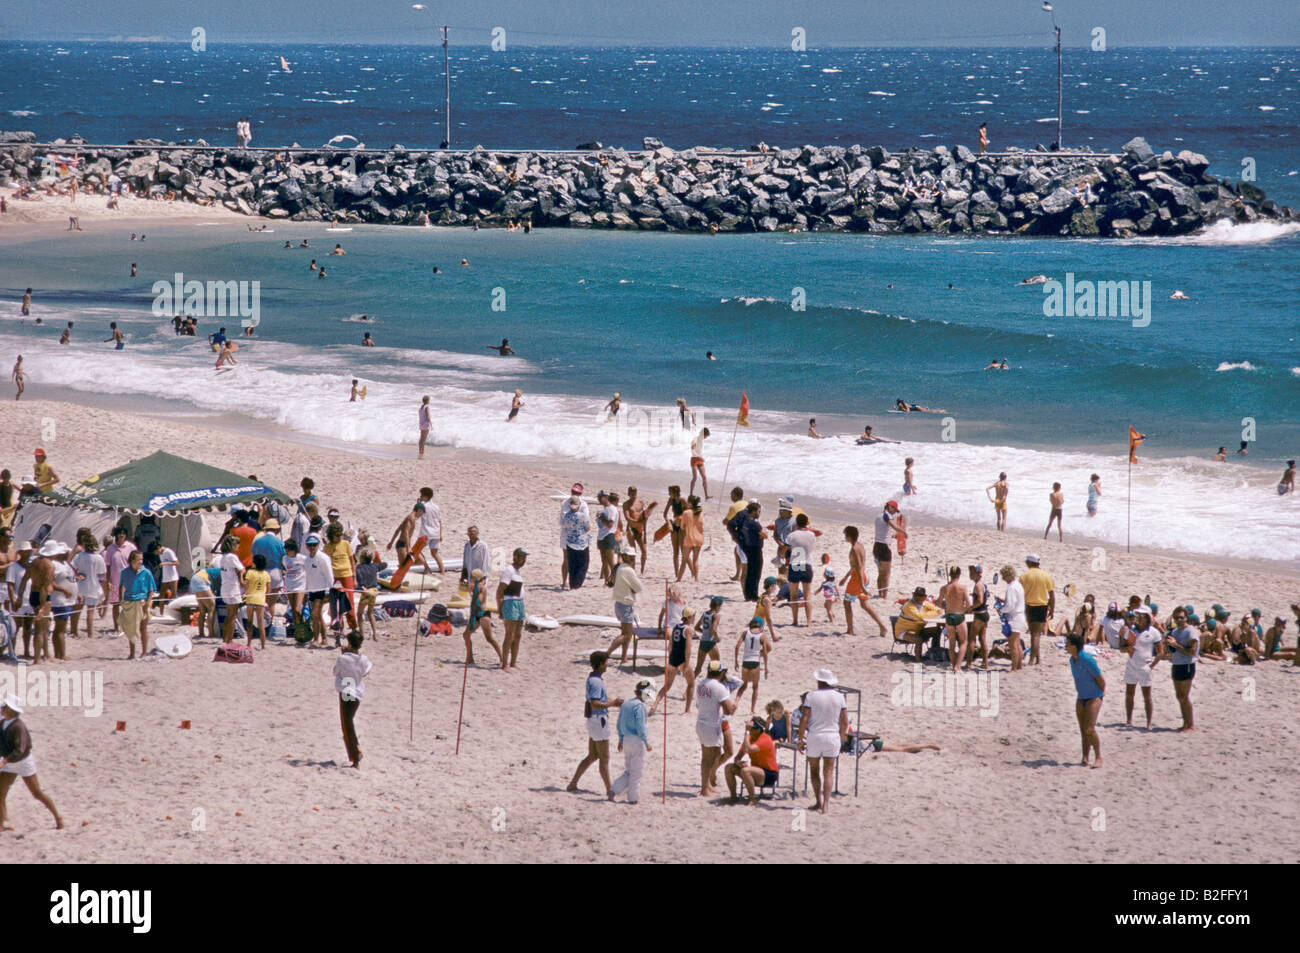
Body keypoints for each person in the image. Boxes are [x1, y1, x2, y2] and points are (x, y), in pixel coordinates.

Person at [0, 693, 64, 830]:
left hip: (23, 762)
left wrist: (4, 761)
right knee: (0, 793)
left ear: (10, 710)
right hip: (8, 763)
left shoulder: (18, 727)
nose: (2, 708)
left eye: (4, 706)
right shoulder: (3, 723)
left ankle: (58, 817)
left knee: (37, 793)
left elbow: (20, 750)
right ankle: (2, 823)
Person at [567, 652, 623, 797]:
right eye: (606, 663)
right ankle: (609, 790)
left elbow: (600, 698)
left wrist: (615, 703)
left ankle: (573, 783)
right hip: (599, 721)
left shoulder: (593, 678)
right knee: (604, 758)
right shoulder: (597, 682)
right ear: (600, 664)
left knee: (592, 756)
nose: (607, 665)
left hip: (593, 721)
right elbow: (595, 703)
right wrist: (612, 703)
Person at [798, 670, 848, 814]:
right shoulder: (840, 697)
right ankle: (826, 805)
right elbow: (844, 722)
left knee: (814, 771)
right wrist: (842, 736)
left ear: (819, 681)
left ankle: (818, 802)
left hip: (815, 735)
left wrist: (801, 738)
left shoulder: (811, 696)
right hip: (832, 736)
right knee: (829, 772)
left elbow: (805, 718)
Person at [695, 660, 736, 798]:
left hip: (701, 723)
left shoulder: (701, 684)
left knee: (712, 755)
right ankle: (704, 789)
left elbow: (698, 704)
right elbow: (728, 710)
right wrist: (733, 706)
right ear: (721, 673)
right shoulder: (719, 688)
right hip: (711, 725)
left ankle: (707, 786)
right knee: (709, 758)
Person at [333, 631, 371, 768]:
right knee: (349, 722)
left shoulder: (343, 659)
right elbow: (366, 671)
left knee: (347, 725)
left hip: (347, 691)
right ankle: (356, 750)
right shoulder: (364, 659)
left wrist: (343, 655)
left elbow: (335, 672)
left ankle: (355, 757)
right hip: (358, 692)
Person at [610, 679, 652, 804]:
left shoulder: (626, 704)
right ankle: (633, 798)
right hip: (636, 740)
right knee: (636, 772)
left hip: (626, 740)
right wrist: (646, 742)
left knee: (629, 771)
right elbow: (640, 727)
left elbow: (619, 723)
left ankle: (613, 790)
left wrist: (621, 739)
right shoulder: (640, 707)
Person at [1066, 632, 1104, 767]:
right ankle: (1085, 756)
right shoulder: (1072, 660)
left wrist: (1100, 696)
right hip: (1081, 697)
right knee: (1083, 729)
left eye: (1068, 643)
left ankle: (1098, 757)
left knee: (1090, 728)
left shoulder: (1087, 659)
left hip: (1094, 697)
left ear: (1075, 646)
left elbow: (1100, 679)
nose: (1065, 645)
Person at [842, 526, 887, 637]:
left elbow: (858, 567)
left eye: (845, 535)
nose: (845, 537)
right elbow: (856, 566)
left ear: (849, 536)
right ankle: (882, 626)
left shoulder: (854, 549)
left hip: (857, 578)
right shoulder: (860, 546)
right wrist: (845, 577)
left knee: (846, 603)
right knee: (864, 605)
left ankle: (850, 630)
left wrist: (861, 586)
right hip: (863, 576)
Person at [651, 606, 696, 716]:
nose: (694, 618)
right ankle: (687, 710)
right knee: (691, 684)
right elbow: (688, 648)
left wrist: (670, 658)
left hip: (672, 659)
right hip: (681, 659)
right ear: (689, 617)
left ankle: (655, 704)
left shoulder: (676, 627)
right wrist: (686, 663)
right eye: (693, 616)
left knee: (667, 686)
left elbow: (670, 645)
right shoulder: (689, 630)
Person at [1122, 606, 1161, 729]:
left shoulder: (1153, 632)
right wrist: (1127, 648)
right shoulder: (1131, 630)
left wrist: (1151, 666)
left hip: (1145, 667)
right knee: (1129, 694)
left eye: (1141, 615)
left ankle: (1149, 722)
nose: (1138, 618)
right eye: (1138, 615)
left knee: (1147, 696)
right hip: (1131, 665)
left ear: (1147, 617)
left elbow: (1160, 652)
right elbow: (1122, 648)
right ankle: (1129, 720)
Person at [1159, 607, 1198, 731]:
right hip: (1176, 665)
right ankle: (1185, 723)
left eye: (1181, 617)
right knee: (1179, 696)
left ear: (1186, 618)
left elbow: (1192, 652)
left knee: (1184, 697)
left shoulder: (1190, 631)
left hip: (1187, 665)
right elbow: (1171, 651)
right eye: (1177, 618)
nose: (1179, 620)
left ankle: (1190, 725)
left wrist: (1176, 645)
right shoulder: (1175, 632)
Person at [726, 717, 780, 805]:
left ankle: (752, 799)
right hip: (756, 771)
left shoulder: (765, 739)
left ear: (759, 729)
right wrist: (738, 763)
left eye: (752, 728)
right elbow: (737, 757)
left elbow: (748, 749)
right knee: (729, 768)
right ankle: (733, 796)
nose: (750, 730)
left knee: (746, 771)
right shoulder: (749, 738)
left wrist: (746, 732)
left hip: (769, 774)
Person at [118, 548, 157, 659]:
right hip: (129, 602)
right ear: (132, 560)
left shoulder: (147, 572)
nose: (141, 562)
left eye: (142, 559)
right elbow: (120, 586)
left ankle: (144, 652)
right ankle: (132, 653)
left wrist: (147, 604)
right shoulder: (125, 572)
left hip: (142, 602)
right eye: (138, 559)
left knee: (143, 628)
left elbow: (151, 589)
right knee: (131, 629)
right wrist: (121, 600)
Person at [606, 551, 642, 663]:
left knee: (625, 632)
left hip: (619, 603)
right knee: (627, 634)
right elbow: (639, 587)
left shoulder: (619, 567)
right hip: (626, 604)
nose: (633, 558)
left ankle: (624, 657)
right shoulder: (629, 570)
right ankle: (606, 654)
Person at [496, 548, 528, 672]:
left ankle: (513, 662)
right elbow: (500, 591)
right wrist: (500, 609)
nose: (523, 561)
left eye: (524, 558)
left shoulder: (517, 572)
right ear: (515, 557)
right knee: (509, 634)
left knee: (518, 635)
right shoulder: (508, 571)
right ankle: (505, 663)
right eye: (521, 558)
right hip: (510, 603)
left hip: (519, 603)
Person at [71, 536, 107, 641]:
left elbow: (72, 566)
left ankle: (74, 631)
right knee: (90, 612)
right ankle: (90, 634)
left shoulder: (80, 556)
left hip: (81, 586)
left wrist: (77, 574)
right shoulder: (99, 558)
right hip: (93, 586)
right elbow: (102, 574)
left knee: (77, 610)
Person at [1020, 553, 1054, 665]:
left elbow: (1019, 593)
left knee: (1034, 635)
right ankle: (1037, 659)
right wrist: (1052, 609)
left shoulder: (1024, 576)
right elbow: (1052, 595)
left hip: (1028, 606)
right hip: (1041, 607)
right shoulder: (1046, 575)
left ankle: (1031, 661)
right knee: (1036, 635)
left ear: (1030, 562)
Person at [733, 617, 772, 715]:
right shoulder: (762, 635)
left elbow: (737, 646)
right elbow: (766, 652)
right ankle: (752, 710)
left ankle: (735, 702)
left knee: (744, 685)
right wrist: (766, 667)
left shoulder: (745, 633)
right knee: (755, 687)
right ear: (761, 626)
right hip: (755, 662)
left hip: (745, 661)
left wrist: (736, 661)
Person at [784, 513, 818, 626]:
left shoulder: (792, 535)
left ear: (797, 523)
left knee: (793, 595)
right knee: (807, 595)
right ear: (807, 523)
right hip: (807, 564)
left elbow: (786, 547)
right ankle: (809, 621)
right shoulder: (812, 535)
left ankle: (795, 620)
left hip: (795, 564)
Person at [937, 566, 970, 672]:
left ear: (950, 574)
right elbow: (968, 604)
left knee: (952, 643)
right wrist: (962, 609)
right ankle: (958, 666)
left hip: (949, 616)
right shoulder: (963, 588)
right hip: (959, 615)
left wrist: (945, 607)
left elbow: (938, 603)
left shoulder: (944, 588)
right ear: (959, 575)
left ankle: (953, 665)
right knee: (964, 642)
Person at [872, 501, 906, 599]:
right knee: (886, 574)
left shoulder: (878, 517)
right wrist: (904, 532)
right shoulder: (887, 516)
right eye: (894, 510)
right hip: (884, 548)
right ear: (889, 507)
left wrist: (894, 536)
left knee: (880, 573)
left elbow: (883, 533)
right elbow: (894, 526)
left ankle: (880, 594)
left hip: (876, 547)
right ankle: (884, 596)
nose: (894, 513)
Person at [621, 486, 657, 574]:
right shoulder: (626, 504)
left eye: (635, 493)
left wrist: (643, 523)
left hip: (640, 529)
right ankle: (632, 569)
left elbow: (644, 516)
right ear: (628, 494)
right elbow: (627, 517)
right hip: (631, 529)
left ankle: (642, 570)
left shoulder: (640, 503)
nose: (633, 495)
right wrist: (636, 523)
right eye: (632, 493)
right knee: (633, 551)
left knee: (644, 551)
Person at [999, 564, 1027, 671]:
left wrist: (1001, 609)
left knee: (1013, 644)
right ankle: (1019, 665)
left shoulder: (1011, 587)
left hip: (1014, 618)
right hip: (1020, 616)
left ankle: (1014, 668)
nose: (1003, 579)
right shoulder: (1018, 585)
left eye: (1004, 576)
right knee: (1017, 643)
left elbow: (1010, 605)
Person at [561, 495, 592, 589]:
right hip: (582, 542)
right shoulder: (583, 515)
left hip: (570, 542)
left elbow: (565, 528)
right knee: (583, 563)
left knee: (572, 564)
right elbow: (588, 528)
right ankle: (577, 584)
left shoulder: (566, 516)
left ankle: (572, 583)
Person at [738, 502, 766, 602]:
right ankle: (754, 595)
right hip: (755, 549)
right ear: (753, 511)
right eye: (758, 511)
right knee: (756, 574)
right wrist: (761, 534)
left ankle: (748, 595)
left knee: (750, 573)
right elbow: (764, 535)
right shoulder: (755, 523)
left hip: (748, 548)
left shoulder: (745, 522)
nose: (759, 513)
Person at [966, 565, 990, 670]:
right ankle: (985, 663)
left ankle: (968, 663)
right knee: (982, 639)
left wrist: (970, 608)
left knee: (971, 639)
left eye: (972, 573)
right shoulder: (982, 584)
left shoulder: (978, 586)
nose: (970, 575)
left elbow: (980, 600)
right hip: (984, 613)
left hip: (979, 614)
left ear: (976, 574)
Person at [694, 596, 725, 677]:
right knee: (717, 666)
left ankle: (689, 686)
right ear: (718, 606)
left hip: (703, 641)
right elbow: (713, 630)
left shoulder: (704, 614)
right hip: (711, 642)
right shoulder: (716, 615)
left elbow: (696, 627)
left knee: (698, 668)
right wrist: (718, 638)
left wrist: (704, 632)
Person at [675, 495, 704, 582]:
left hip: (689, 538)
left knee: (684, 560)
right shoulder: (701, 513)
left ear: (690, 503)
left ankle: (679, 579)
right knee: (695, 560)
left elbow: (682, 527)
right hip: (699, 538)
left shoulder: (686, 513)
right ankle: (696, 579)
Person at [688, 428, 710, 499]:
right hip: (694, 459)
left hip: (700, 460)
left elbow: (700, 450)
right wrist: (698, 457)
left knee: (704, 477)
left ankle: (706, 495)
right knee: (695, 478)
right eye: (706, 436)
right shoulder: (695, 439)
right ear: (703, 434)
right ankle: (691, 494)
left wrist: (700, 457)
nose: (706, 438)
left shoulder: (702, 440)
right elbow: (692, 449)